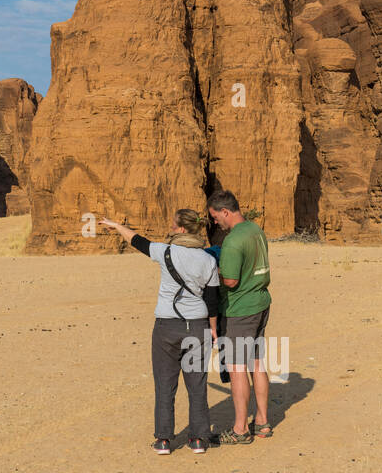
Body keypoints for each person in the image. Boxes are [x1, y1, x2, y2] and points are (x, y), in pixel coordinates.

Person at [99, 211, 219, 455]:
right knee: (197, 384)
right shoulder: (208, 260)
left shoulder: (165, 252)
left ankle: (163, 440)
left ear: (182, 230)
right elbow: (213, 300)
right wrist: (214, 330)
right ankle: (197, 439)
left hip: (166, 327)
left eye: (173, 225)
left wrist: (116, 226)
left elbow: (137, 241)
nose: (170, 228)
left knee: (165, 384)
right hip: (197, 327)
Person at [205, 189, 273, 444]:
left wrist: (216, 272)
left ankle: (241, 430)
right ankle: (263, 422)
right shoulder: (255, 230)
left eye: (214, 217)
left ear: (225, 212)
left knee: (236, 369)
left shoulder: (233, 241)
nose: (215, 222)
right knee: (257, 363)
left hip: (241, 310)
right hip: (261, 303)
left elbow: (231, 281)